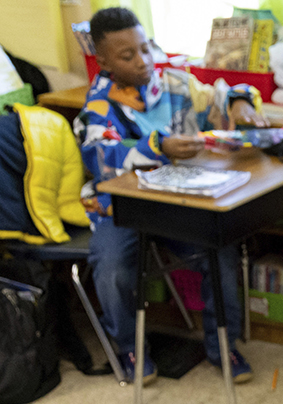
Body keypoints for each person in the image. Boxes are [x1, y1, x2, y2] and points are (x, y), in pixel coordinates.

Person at [77, 7, 267, 384]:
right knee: (113, 267)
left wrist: (239, 101)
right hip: (122, 208)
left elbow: (221, 93)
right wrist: (158, 145)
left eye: (146, 48)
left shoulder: (176, 84)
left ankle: (222, 345)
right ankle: (131, 349)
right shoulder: (98, 106)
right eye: (127, 56)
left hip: (178, 203)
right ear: (103, 60)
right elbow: (104, 159)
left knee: (220, 250)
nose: (143, 61)